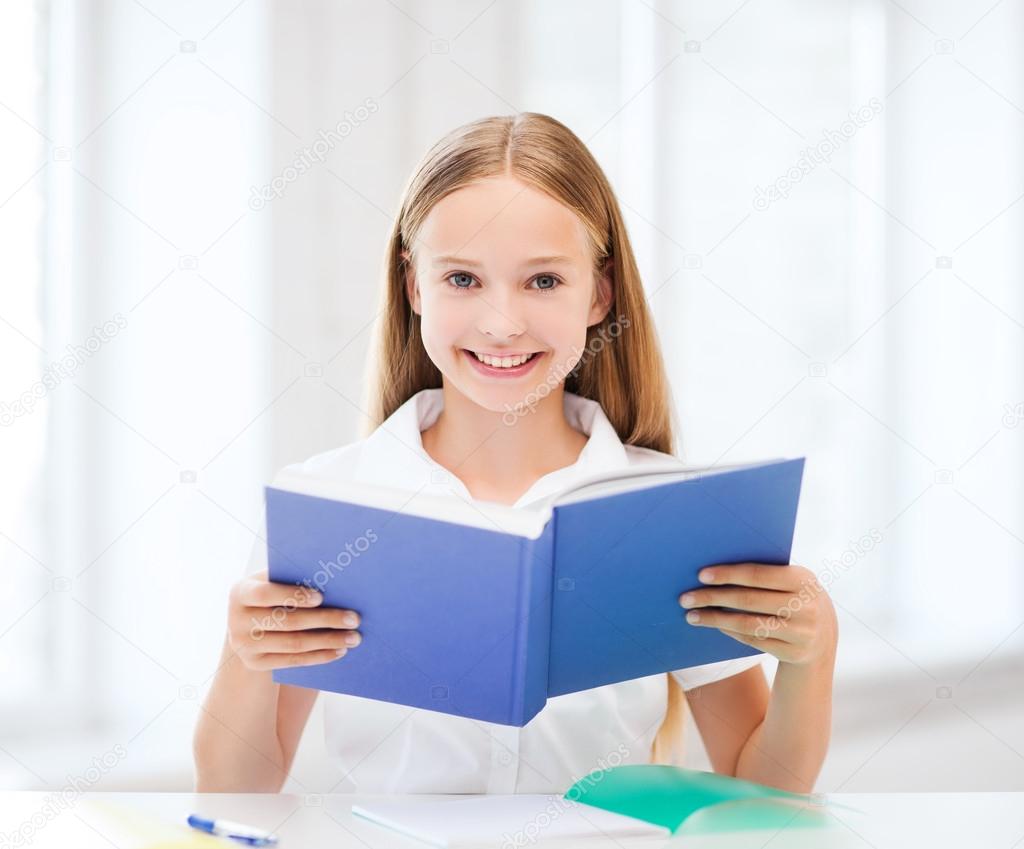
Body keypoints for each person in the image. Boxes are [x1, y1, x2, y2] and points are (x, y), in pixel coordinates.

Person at [193, 113, 837, 795]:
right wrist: (244, 653)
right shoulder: (330, 505)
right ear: (414, 287)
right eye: (462, 279)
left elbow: (763, 788)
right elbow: (239, 791)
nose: (502, 324)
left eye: (544, 281)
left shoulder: (671, 512)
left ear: (600, 294)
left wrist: (813, 656)